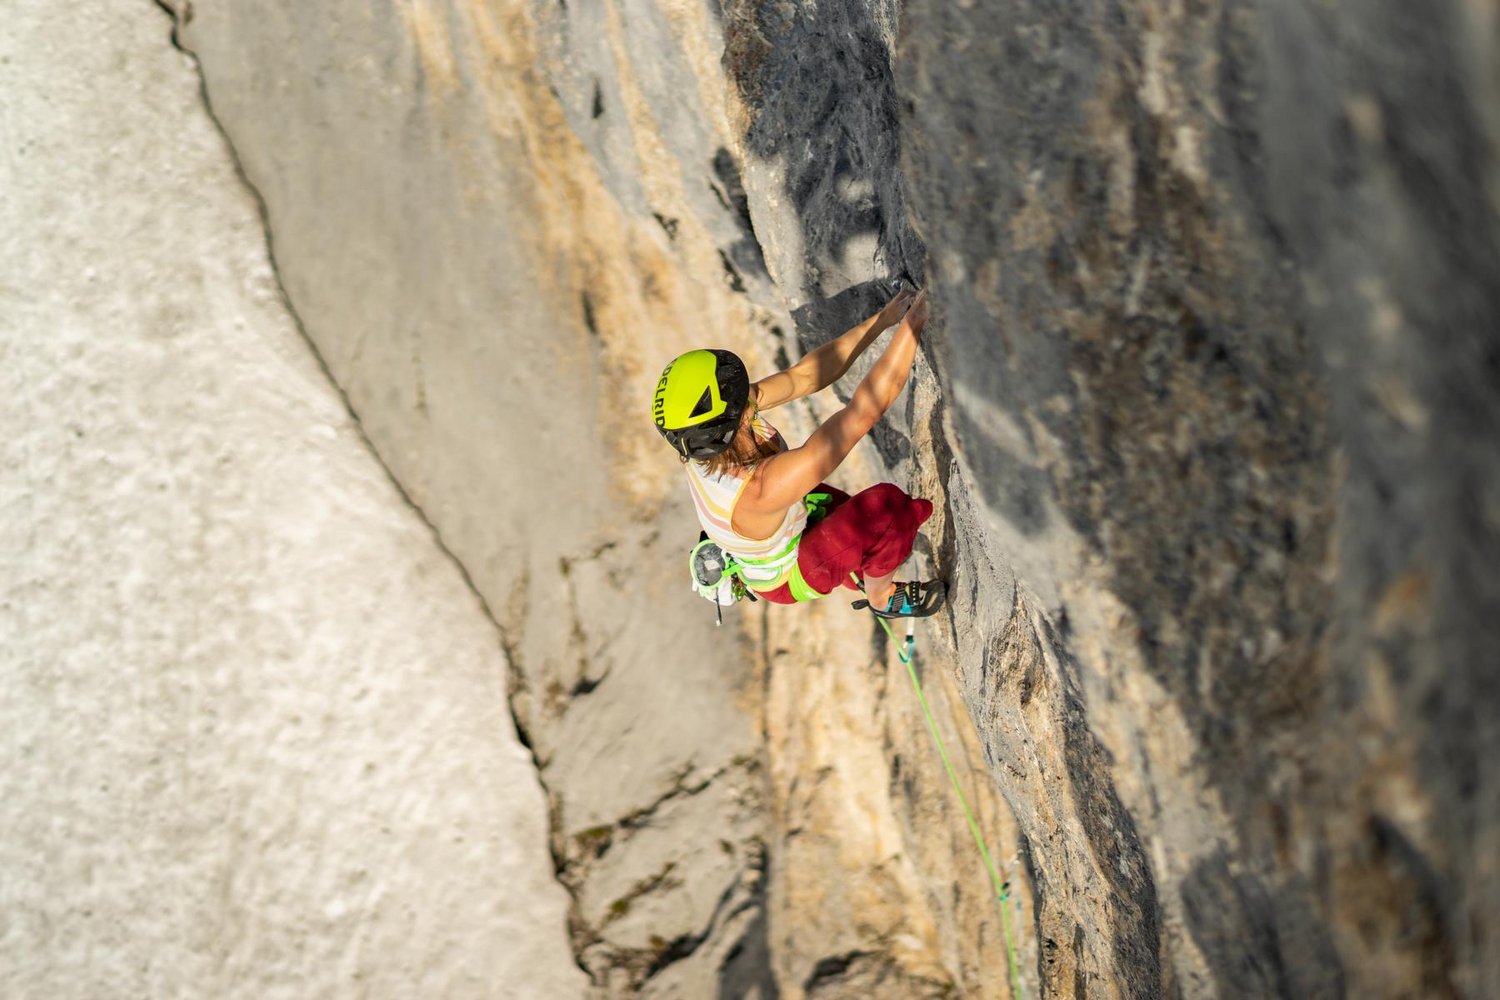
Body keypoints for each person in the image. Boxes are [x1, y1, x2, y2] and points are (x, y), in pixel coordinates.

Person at [651, 287, 944, 617]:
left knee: (854, 525)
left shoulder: (713, 438)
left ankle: (857, 562)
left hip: (784, 521)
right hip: (789, 574)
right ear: (734, 418)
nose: (746, 394)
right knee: (886, 509)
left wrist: (885, 319)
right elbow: (862, 413)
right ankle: (882, 597)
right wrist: (916, 320)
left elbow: (805, 376)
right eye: (737, 394)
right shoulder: (760, 490)